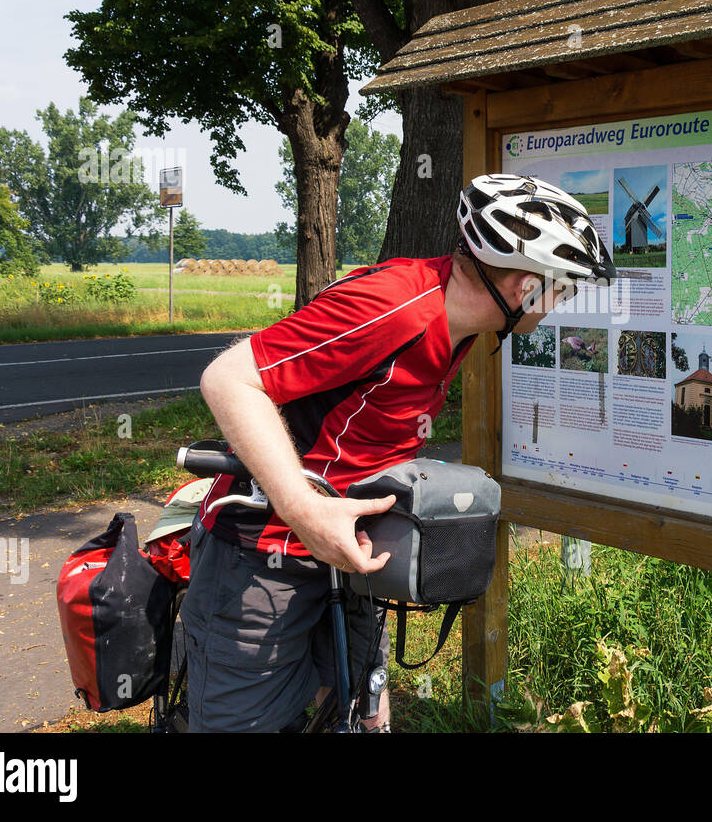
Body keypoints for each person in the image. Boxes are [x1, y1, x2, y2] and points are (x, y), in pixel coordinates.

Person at [181, 173, 615, 732]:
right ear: (523, 286)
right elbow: (229, 379)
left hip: (350, 552)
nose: (562, 302)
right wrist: (304, 509)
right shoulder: (395, 306)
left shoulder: (463, 327)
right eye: (563, 287)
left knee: (366, 714)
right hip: (266, 550)